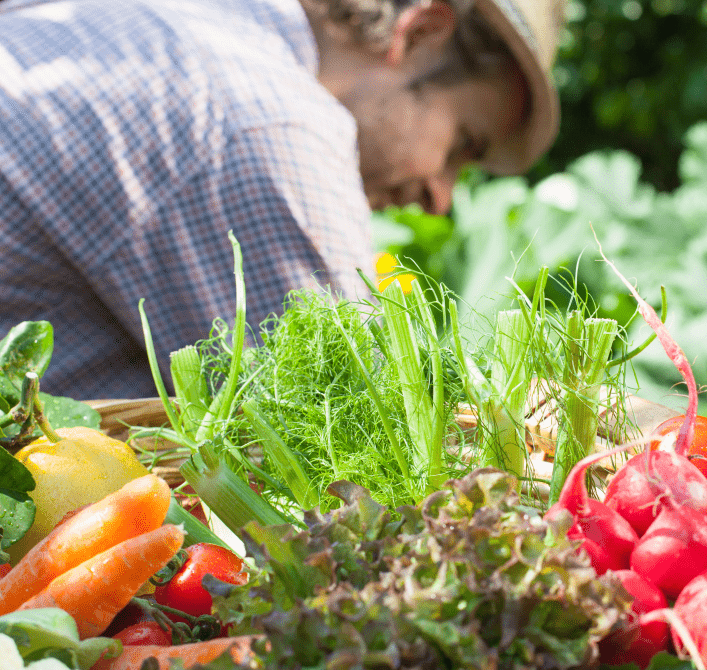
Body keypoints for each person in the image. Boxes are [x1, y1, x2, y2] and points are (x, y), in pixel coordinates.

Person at [0, 0, 565, 400]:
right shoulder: (268, 123)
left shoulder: (181, 21)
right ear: (420, 32)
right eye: (461, 144)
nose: (440, 197)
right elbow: (354, 457)